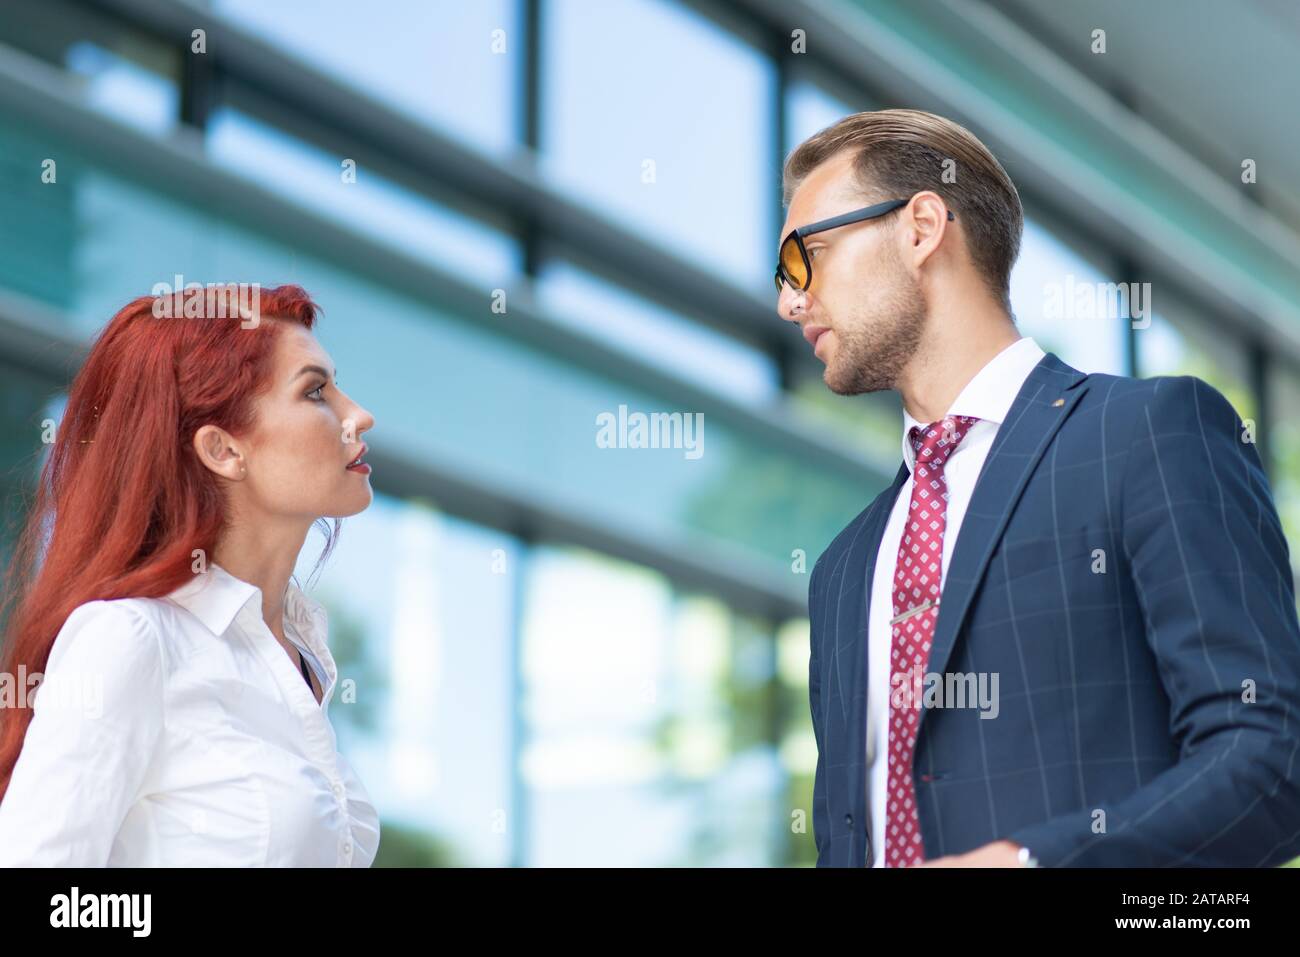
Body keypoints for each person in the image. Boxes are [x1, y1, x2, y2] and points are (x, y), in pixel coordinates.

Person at [779, 108, 1300, 867]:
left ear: (922, 226)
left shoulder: (1145, 436)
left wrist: (1033, 861)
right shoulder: (841, 569)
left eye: (807, 257)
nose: (791, 301)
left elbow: (1270, 757)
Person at [0, 283, 381, 866]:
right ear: (223, 449)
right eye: (315, 392)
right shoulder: (133, 639)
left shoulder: (299, 655)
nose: (359, 415)